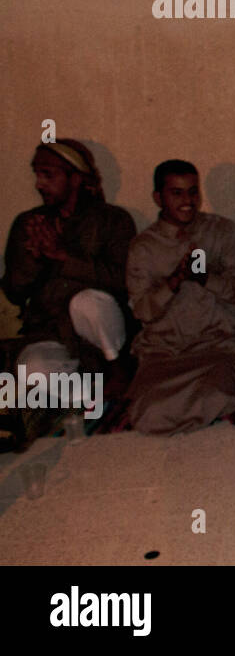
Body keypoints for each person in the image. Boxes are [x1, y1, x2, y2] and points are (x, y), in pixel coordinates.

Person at [1, 141, 136, 444]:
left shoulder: (113, 220)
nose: (39, 184)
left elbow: (125, 280)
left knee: (85, 302)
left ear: (75, 178)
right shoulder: (27, 223)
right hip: (50, 334)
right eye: (37, 174)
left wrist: (64, 257)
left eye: (48, 175)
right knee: (31, 371)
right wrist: (35, 259)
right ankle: (97, 395)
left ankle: (117, 373)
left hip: (102, 334)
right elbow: (13, 291)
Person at [124, 161, 235, 434]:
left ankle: (234, 384)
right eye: (177, 193)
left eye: (193, 192)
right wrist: (173, 282)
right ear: (158, 198)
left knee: (217, 396)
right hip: (164, 354)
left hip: (217, 348)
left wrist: (205, 277)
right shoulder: (143, 247)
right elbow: (142, 311)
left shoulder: (222, 231)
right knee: (148, 414)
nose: (188, 201)